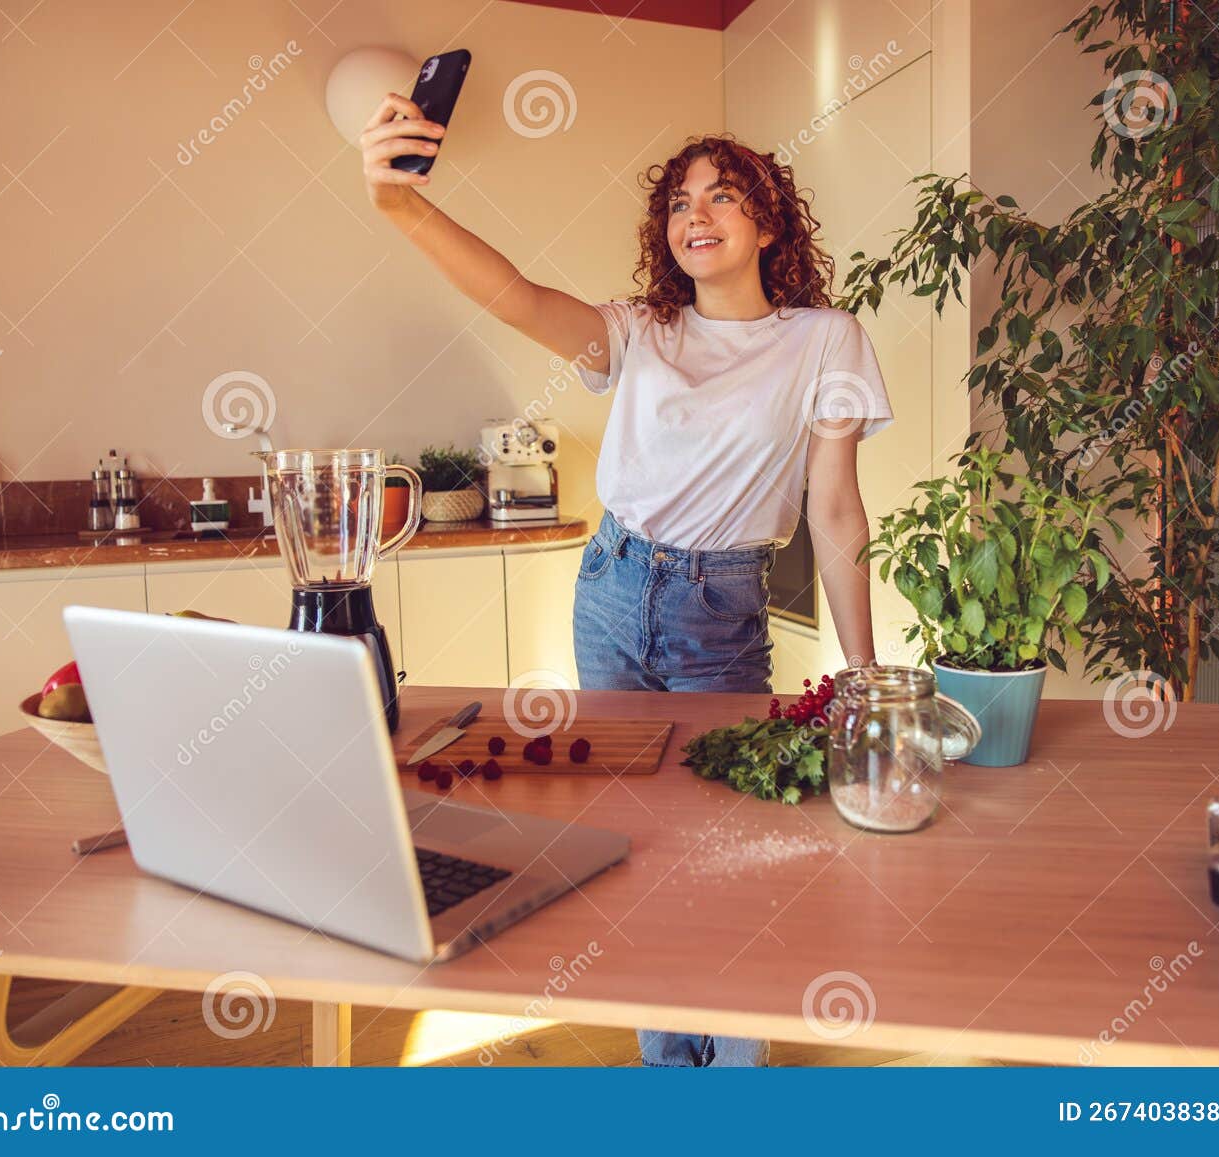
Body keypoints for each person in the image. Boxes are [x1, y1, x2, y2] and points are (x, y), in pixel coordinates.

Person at [361, 96, 894, 1067]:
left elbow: (836, 511)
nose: (696, 213)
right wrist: (404, 208)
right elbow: (516, 295)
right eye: (679, 201)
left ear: (768, 222)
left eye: (723, 196)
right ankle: (663, 1070)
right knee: (637, 843)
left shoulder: (825, 339)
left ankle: (731, 1078)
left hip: (718, 610)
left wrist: (860, 672)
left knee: (727, 853)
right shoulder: (638, 330)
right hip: (610, 585)